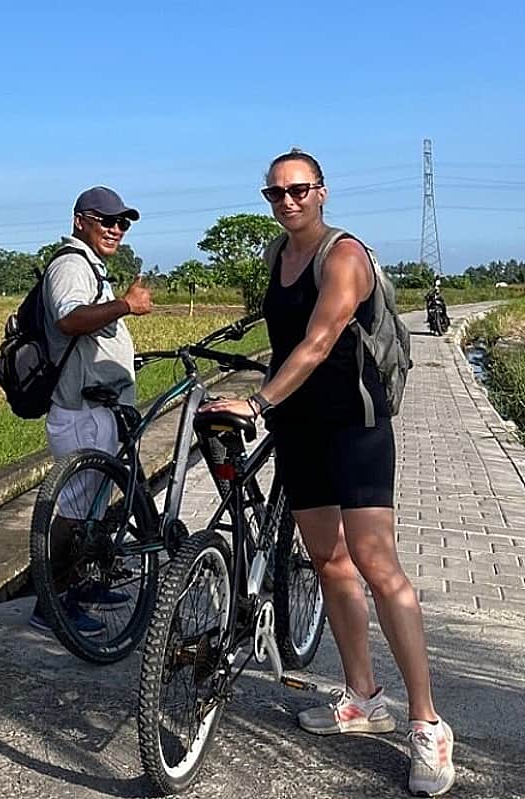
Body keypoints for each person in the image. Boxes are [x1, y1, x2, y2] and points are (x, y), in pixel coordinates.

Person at [200, 149, 455, 796]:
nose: (288, 202)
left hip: (355, 426)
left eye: (299, 190)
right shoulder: (275, 257)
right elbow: (281, 337)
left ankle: (428, 723)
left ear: (322, 191)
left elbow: (318, 340)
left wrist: (255, 401)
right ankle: (364, 697)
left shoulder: (343, 257)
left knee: (376, 562)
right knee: (328, 559)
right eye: (276, 193)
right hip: (301, 428)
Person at [29, 186, 153, 635]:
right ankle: (51, 605)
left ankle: (80, 587)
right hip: (81, 412)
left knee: (91, 510)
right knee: (72, 511)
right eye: (107, 220)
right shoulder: (70, 264)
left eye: (123, 222)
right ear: (80, 220)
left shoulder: (91, 267)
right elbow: (69, 319)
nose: (116, 229)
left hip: (99, 410)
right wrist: (126, 305)